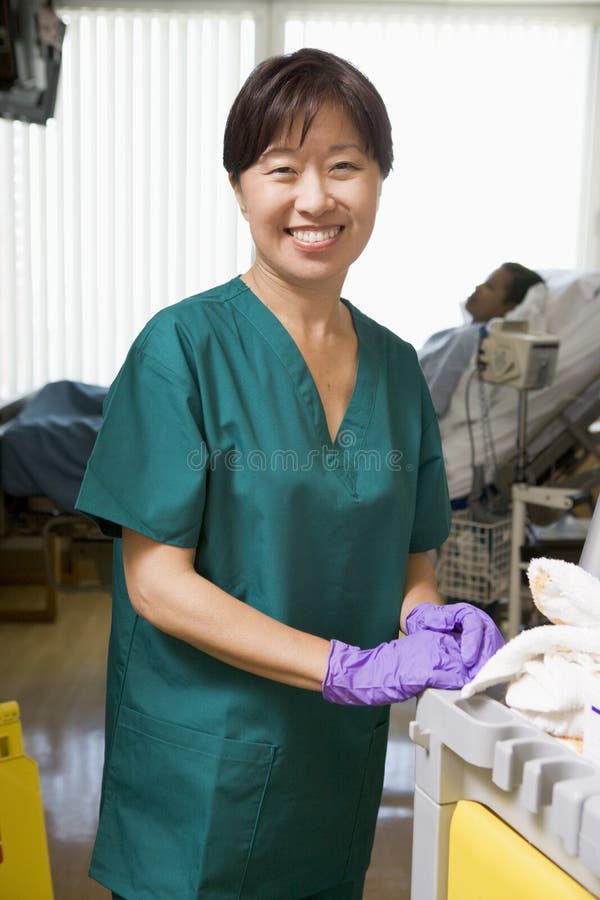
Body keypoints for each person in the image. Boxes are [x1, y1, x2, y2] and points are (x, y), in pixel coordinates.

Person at [76, 49, 503, 900]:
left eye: (344, 166)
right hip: (203, 766)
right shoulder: (182, 350)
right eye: (282, 169)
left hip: (332, 768)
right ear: (241, 188)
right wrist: (344, 667)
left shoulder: (397, 368)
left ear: (379, 182)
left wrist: (425, 619)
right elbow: (157, 585)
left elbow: (408, 558)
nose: (315, 199)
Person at [419, 262, 545, 417]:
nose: (478, 287)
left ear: (509, 307)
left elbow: (433, 402)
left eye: (489, 287)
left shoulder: (471, 337)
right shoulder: (459, 331)